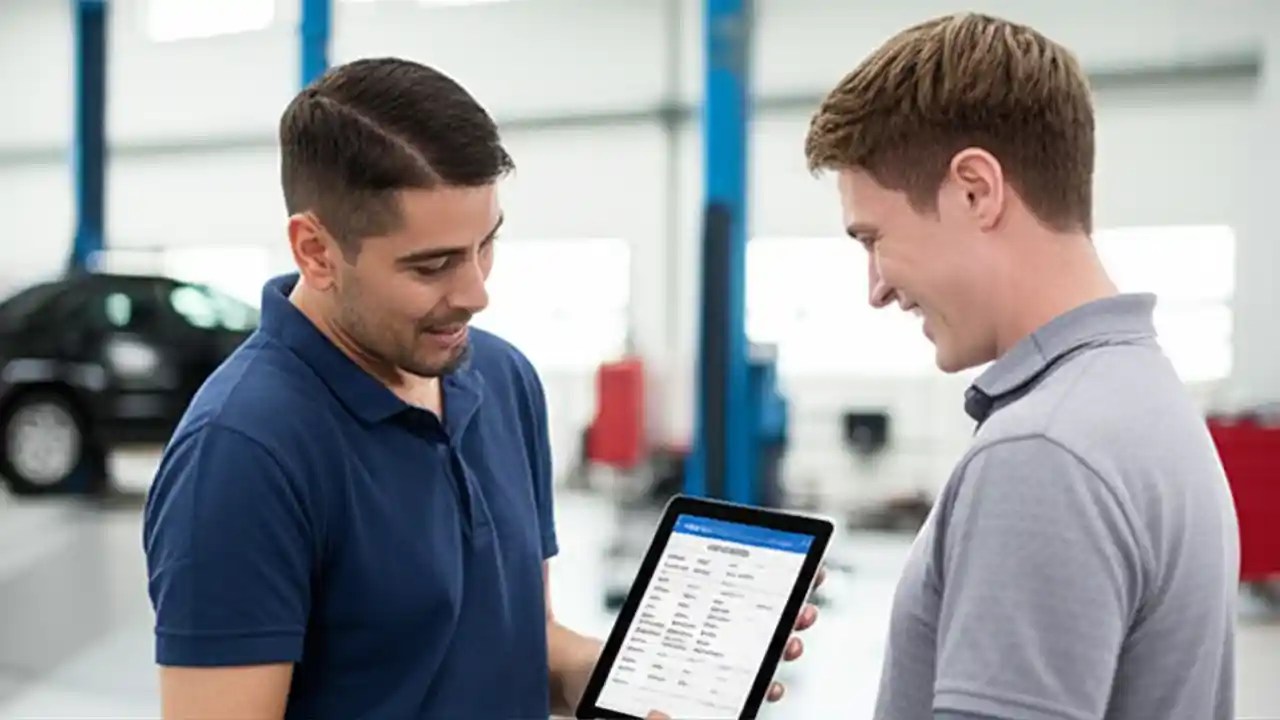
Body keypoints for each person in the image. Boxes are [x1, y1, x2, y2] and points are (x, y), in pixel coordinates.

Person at [142, 57, 818, 720]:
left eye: (485, 245)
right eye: (431, 265)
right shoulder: (241, 452)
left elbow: (518, 642)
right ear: (315, 251)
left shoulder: (500, 379)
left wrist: (624, 678)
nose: (476, 293)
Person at [803, 12, 1239, 720]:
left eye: (874, 238)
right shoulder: (1141, 397)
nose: (877, 289)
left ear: (976, 189)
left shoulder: (1043, 451)